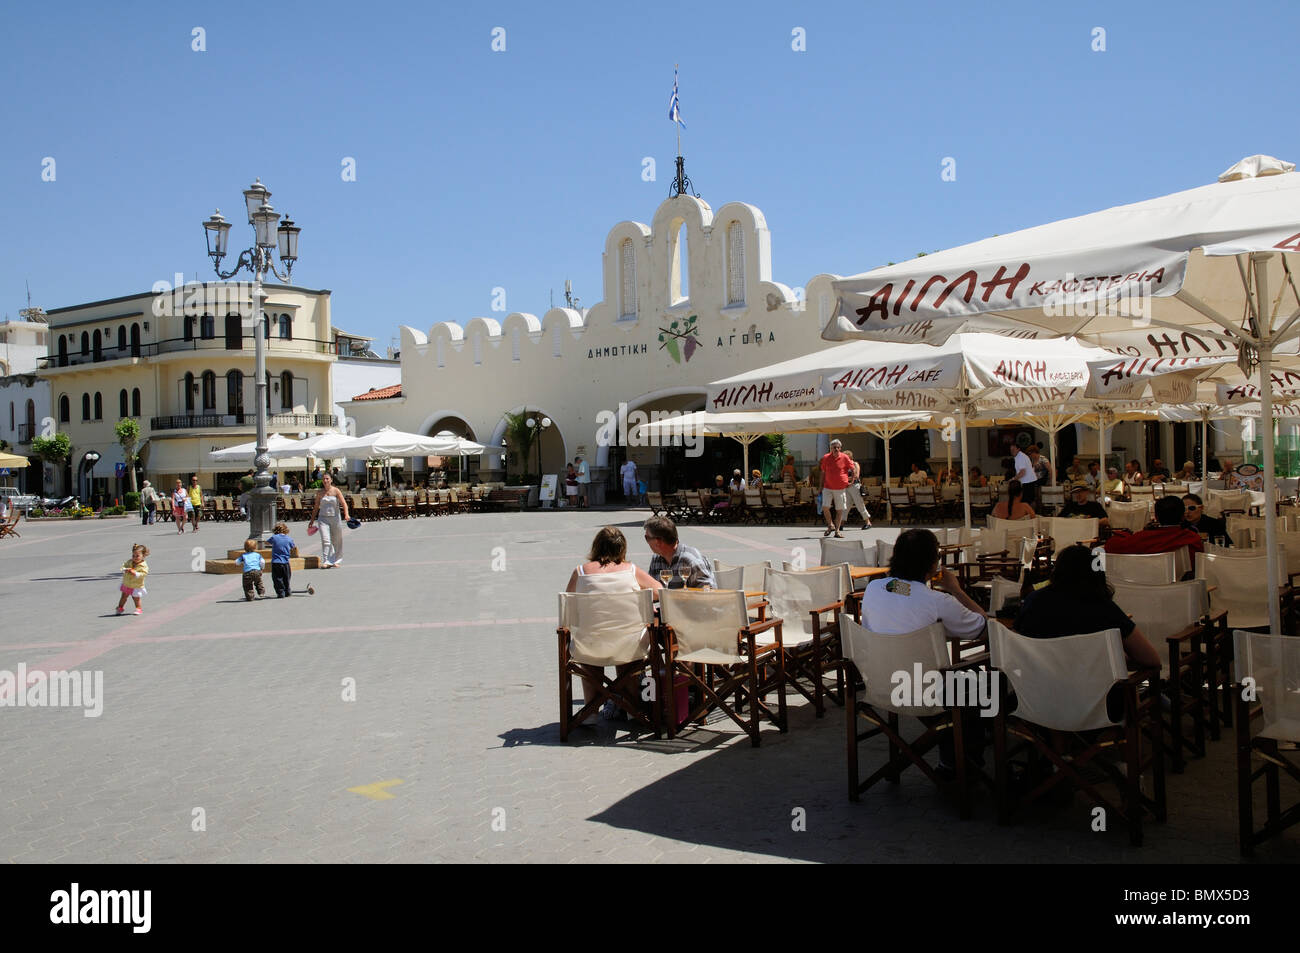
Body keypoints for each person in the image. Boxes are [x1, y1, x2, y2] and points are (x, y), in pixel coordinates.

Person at [859, 528, 989, 777]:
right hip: (924, 692)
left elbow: (905, 592)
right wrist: (956, 590)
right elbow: (984, 628)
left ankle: (952, 753)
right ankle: (964, 763)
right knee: (982, 683)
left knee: (964, 685)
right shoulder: (938, 601)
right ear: (932, 563)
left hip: (880, 684)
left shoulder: (876, 588)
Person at [565, 526, 664, 721]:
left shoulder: (581, 572)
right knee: (627, 651)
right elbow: (659, 590)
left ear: (596, 546)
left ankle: (590, 711)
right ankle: (632, 707)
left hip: (590, 647)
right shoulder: (631, 570)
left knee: (591, 647)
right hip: (630, 647)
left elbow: (568, 606)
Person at [1014, 544, 1161, 671]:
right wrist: (1120, 661)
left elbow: (1019, 648)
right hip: (1096, 700)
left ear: (1056, 572)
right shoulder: (1104, 609)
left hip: (1038, 696)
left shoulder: (1034, 602)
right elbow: (1151, 659)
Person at [1104, 494, 1204, 568]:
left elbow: (1110, 546)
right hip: (1182, 590)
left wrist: (1125, 535)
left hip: (1145, 589)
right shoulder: (1192, 539)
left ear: (1156, 517)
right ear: (1183, 516)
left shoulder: (1142, 538)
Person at [644, 515, 716, 588]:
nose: (646, 541)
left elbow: (708, 591)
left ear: (658, 542)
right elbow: (652, 589)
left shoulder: (690, 560)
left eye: (647, 538)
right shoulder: (657, 559)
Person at [309, 472, 351, 569]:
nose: (325, 480)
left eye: (327, 478)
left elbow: (344, 503)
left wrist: (346, 514)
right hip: (323, 519)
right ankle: (326, 561)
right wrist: (312, 521)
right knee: (326, 540)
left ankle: (336, 560)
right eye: (324, 479)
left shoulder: (336, 491)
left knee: (337, 540)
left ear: (331, 480)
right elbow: (316, 507)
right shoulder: (320, 493)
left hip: (335, 518)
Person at [819, 438, 856, 538]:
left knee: (839, 509)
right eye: (833, 447)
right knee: (825, 507)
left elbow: (853, 469)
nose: (835, 449)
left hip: (840, 488)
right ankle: (830, 525)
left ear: (840, 448)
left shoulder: (845, 457)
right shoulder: (826, 458)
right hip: (828, 487)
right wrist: (820, 486)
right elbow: (823, 472)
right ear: (830, 448)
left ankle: (837, 530)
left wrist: (852, 481)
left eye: (837, 447)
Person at [115, 543, 150, 615]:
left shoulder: (143, 565)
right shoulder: (130, 562)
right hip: (127, 583)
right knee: (123, 597)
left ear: (143, 556)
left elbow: (144, 573)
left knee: (136, 598)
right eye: (133, 555)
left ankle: (138, 608)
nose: (135, 557)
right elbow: (123, 566)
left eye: (137, 556)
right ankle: (120, 607)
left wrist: (136, 573)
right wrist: (125, 569)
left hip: (136, 585)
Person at [842, 449, 872, 530]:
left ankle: (868, 522)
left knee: (860, 505)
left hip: (854, 486)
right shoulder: (844, 465)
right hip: (847, 486)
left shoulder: (855, 464)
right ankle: (841, 524)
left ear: (850, 457)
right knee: (845, 506)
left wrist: (847, 480)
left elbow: (856, 475)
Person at [269, 521, 296, 597]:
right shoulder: (289, 539)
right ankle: (287, 591)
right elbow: (293, 547)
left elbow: (267, 543)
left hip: (276, 562)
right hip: (285, 562)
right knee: (286, 577)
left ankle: (280, 592)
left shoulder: (274, 537)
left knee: (277, 578)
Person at [1012, 443, 1037, 507]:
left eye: (1013, 449)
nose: (1012, 451)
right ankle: (1031, 515)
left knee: (1026, 502)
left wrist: (1013, 479)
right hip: (1027, 481)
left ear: (1018, 449)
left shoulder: (1021, 457)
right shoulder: (1018, 457)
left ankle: (1030, 515)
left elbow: (1023, 472)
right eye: (1011, 450)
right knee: (1029, 501)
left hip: (1028, 482)